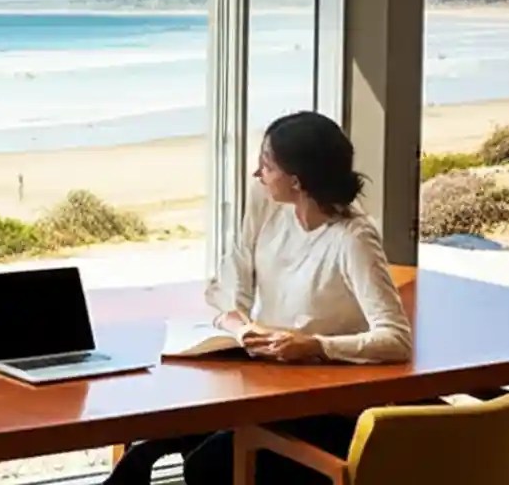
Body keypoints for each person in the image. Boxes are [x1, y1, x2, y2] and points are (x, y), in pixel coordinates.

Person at [106, 111, 413, 485]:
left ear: (296, 181)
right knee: (153, 444)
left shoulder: (352, 238)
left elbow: (396, 340)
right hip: (270, 380)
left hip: (324, 402)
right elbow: (236, 270)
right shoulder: (267, 202)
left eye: (266, 166)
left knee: (207, 463)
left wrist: (315, 345)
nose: (257, 174)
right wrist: (237, 322)